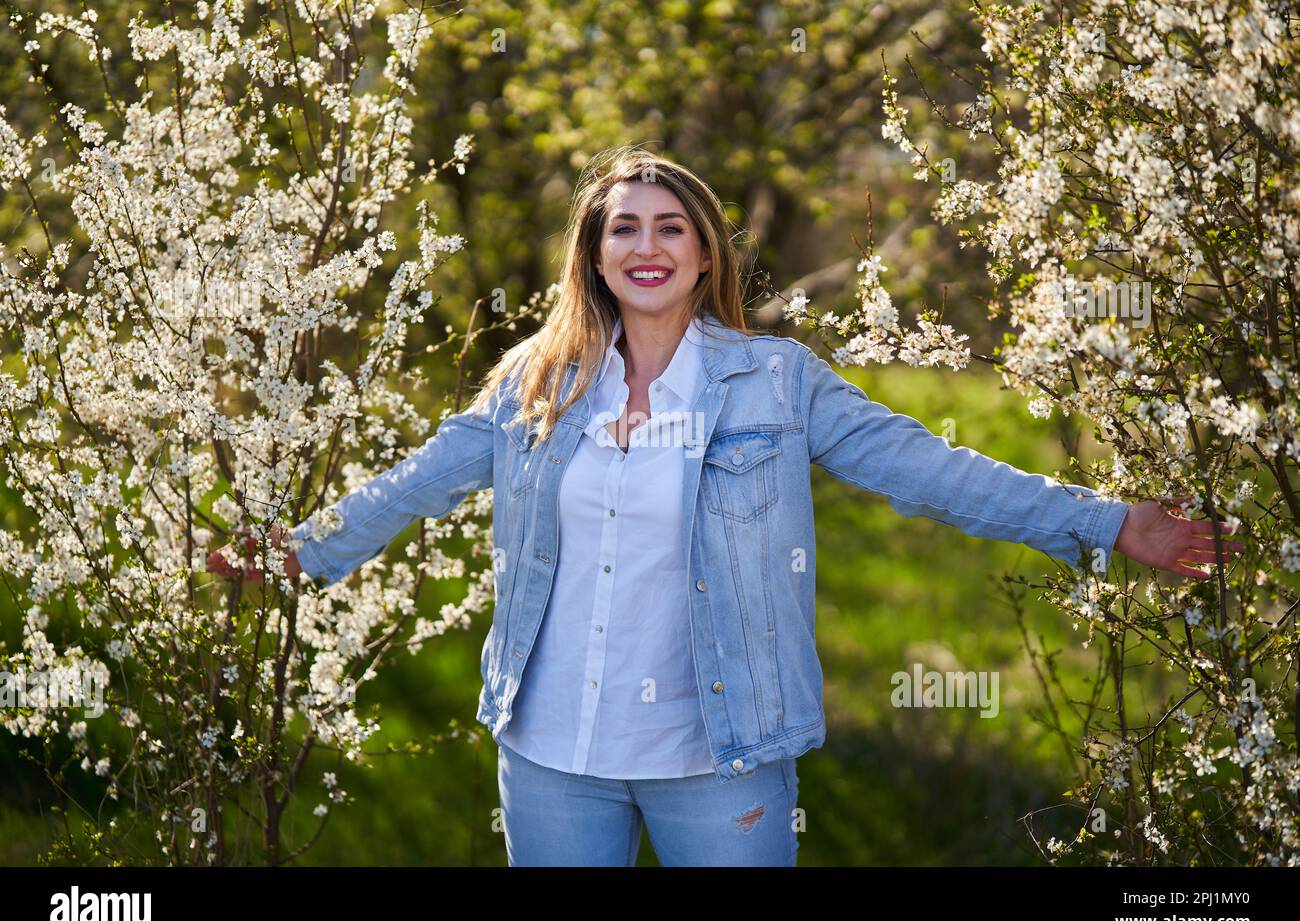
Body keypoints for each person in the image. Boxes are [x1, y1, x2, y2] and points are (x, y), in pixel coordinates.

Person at [208, 145, 1244, 866]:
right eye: (624, 229)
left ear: (705, 252)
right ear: (596, 254)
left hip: (722, 752)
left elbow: (928, 467)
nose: (646, 246)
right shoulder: (535, 377)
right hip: (550, 750)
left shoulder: (777, 381)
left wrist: (1105, 521)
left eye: (670, 227)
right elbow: (416, 479)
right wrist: (298, 550)